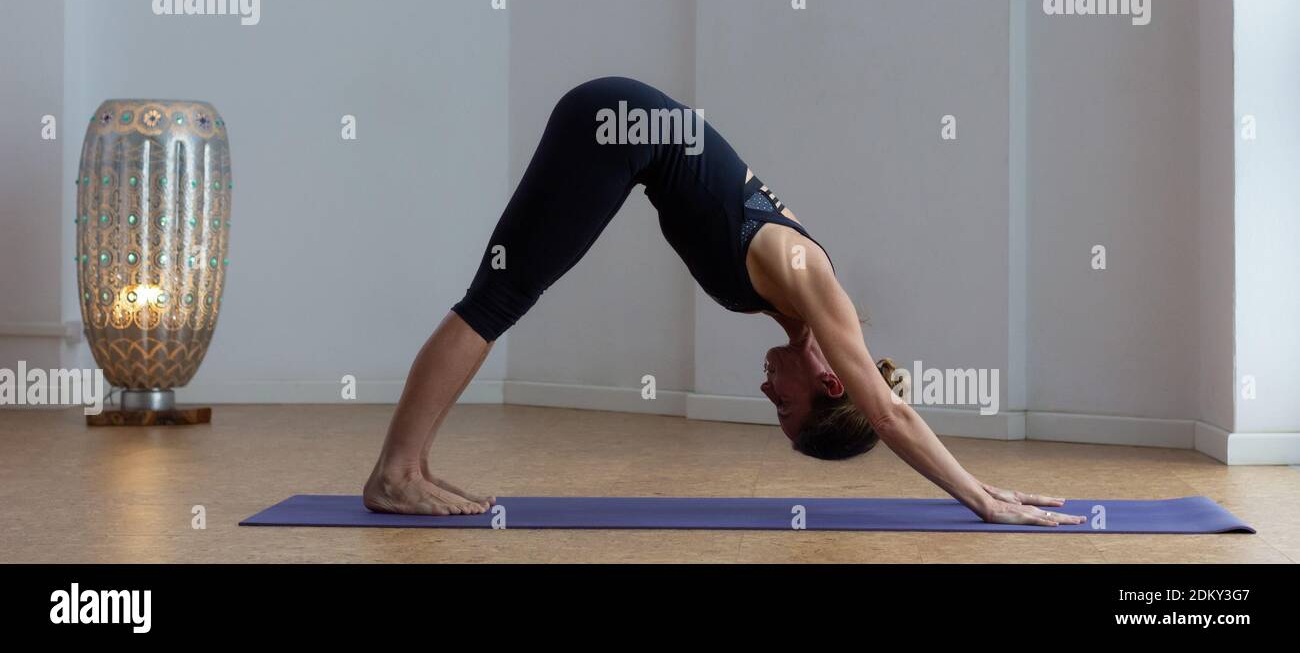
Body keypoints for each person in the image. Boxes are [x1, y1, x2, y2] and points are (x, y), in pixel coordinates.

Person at [363, 77, 1082, 527]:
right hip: (618, 125)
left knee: (502, 295)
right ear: (830, 382)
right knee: (499, 298)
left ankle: (413, 467)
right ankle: (395, 475)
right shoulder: (815, 287)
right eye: (783, 403)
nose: (765, 388)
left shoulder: (804, 315)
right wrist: (980, 498)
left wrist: (978, 478)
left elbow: (886, 406)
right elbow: (888, 413)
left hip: (621, 127)